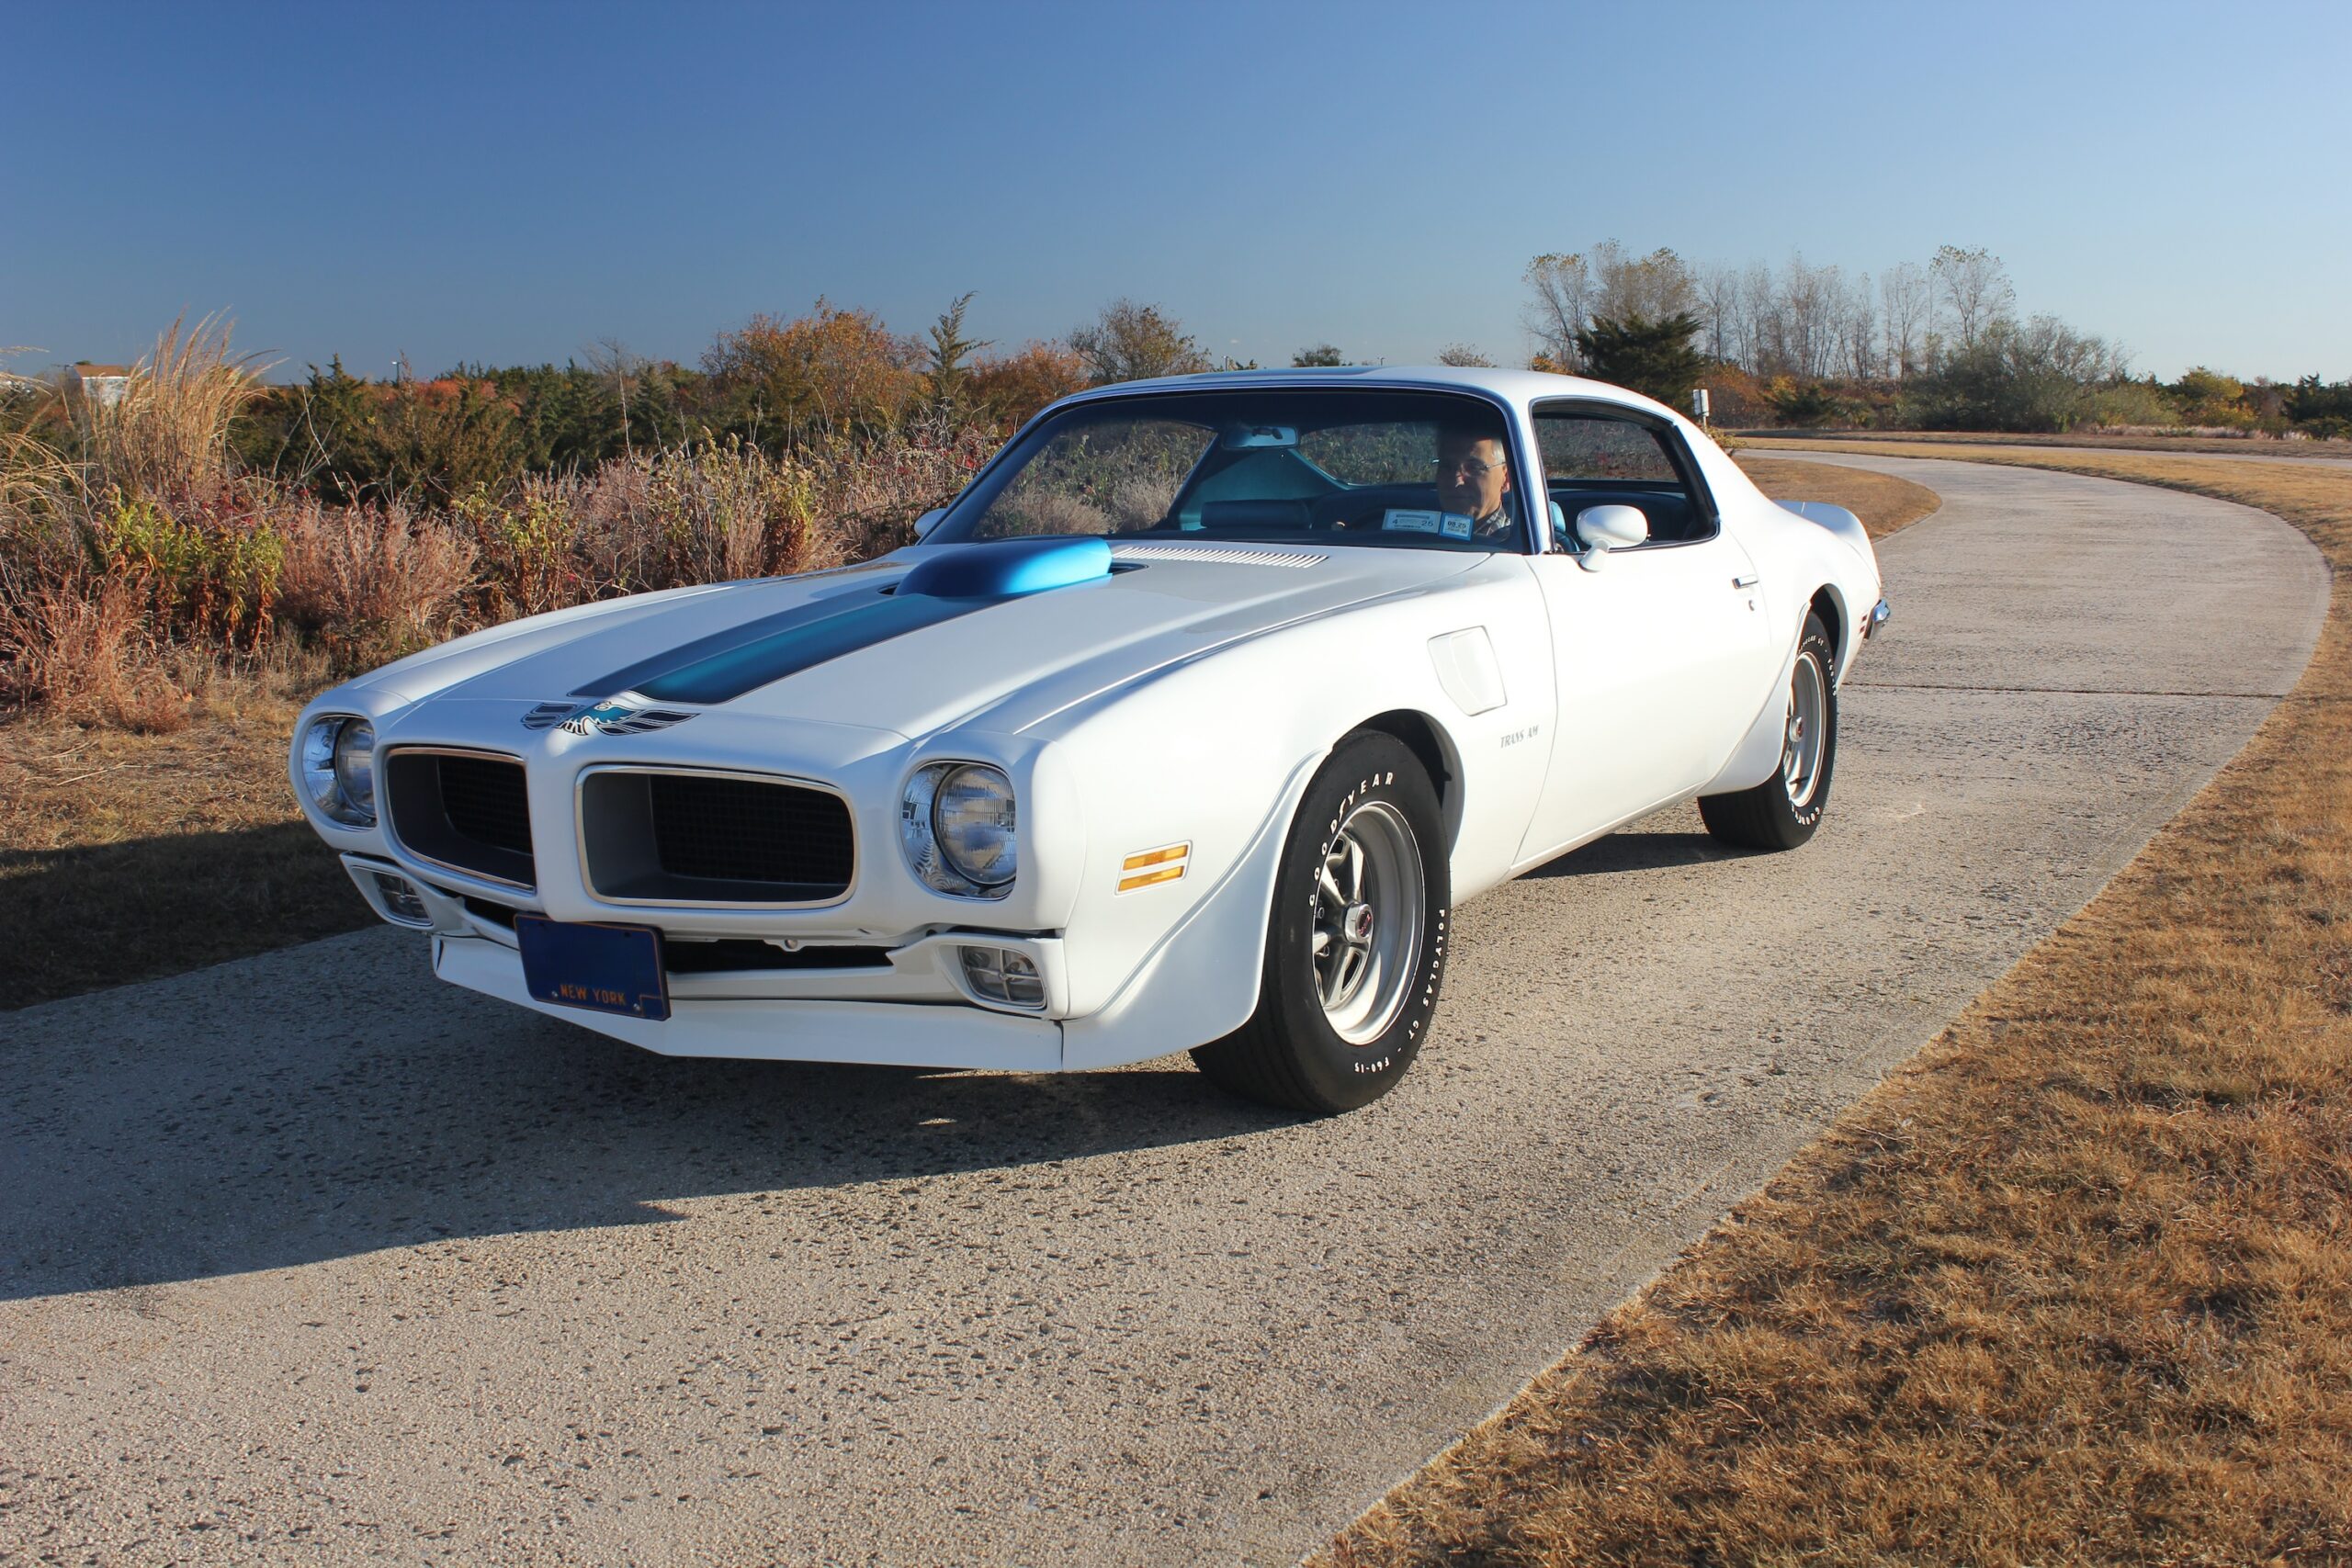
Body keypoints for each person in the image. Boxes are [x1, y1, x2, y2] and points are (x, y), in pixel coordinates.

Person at [1435, 427, 1517, 540]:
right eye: (1446, 466)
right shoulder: (1417, 540)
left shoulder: (1514, 546)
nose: (1456, 481)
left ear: (1506, 479)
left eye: (1474, 468)